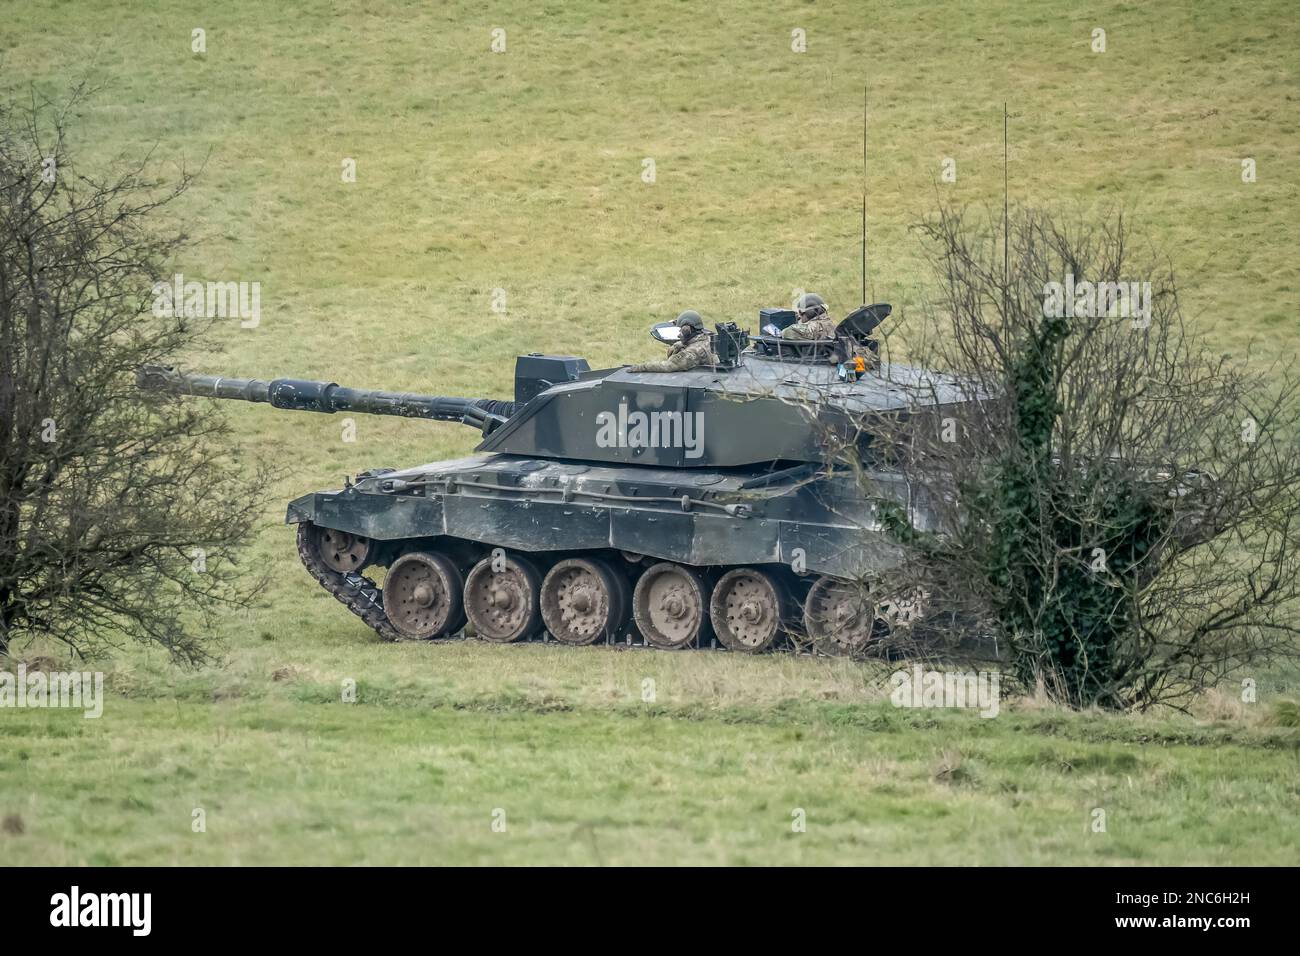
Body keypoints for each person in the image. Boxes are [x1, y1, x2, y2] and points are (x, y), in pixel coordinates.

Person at [628, 310, 716, 372]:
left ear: (687, 330)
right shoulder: (708, 338)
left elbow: (668, 366)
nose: (678, 334)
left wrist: (640, 367)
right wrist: (682, 343)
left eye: (681, 330)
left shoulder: (692, 352)